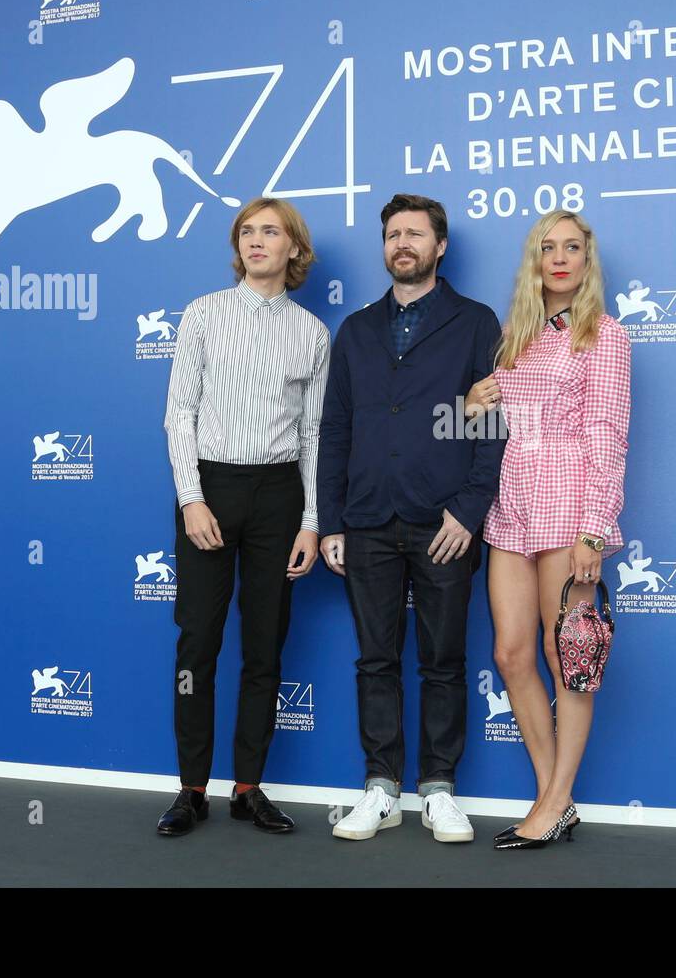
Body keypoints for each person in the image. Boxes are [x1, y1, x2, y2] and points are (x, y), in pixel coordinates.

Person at [318, 193, 505, 843]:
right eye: (393, 234)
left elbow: (493, 423)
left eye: (415, 234)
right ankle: (380, 787)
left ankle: (439, 790)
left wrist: (471, 509)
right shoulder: (356, 329)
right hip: (366, 517)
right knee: (374, 660)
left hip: (444, 521)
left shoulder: (477, 323)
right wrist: (331, 520)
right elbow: (334, 429)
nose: (403, 243)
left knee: (444, 661)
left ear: (440, 246)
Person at [156, 197, 330, 836]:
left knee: (265, 646)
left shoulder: (313, 334)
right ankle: (191, 790)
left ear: (294, 249)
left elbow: (313, 435)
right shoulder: (203, 314)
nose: (256, 241)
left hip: (280, 498)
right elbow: (181, 412)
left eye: (270, 232)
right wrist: (191, 497)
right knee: (197, 642)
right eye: (247, 232)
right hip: (211, 487)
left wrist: (311, 521)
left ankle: (249, 787)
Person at [467, 211, 631, 849]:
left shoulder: (604, 336)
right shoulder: (516, 335)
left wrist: (596, 527)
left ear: (588, 259)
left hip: (570, 507)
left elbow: (609, 436)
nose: (559, 258)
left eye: (571, 247)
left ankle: (555, 801)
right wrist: (472, 408)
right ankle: (551, 796)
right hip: (511, 506)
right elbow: (482, 426)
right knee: (511, 652)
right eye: (546, 248)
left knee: (571, 662)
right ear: (533, 261)